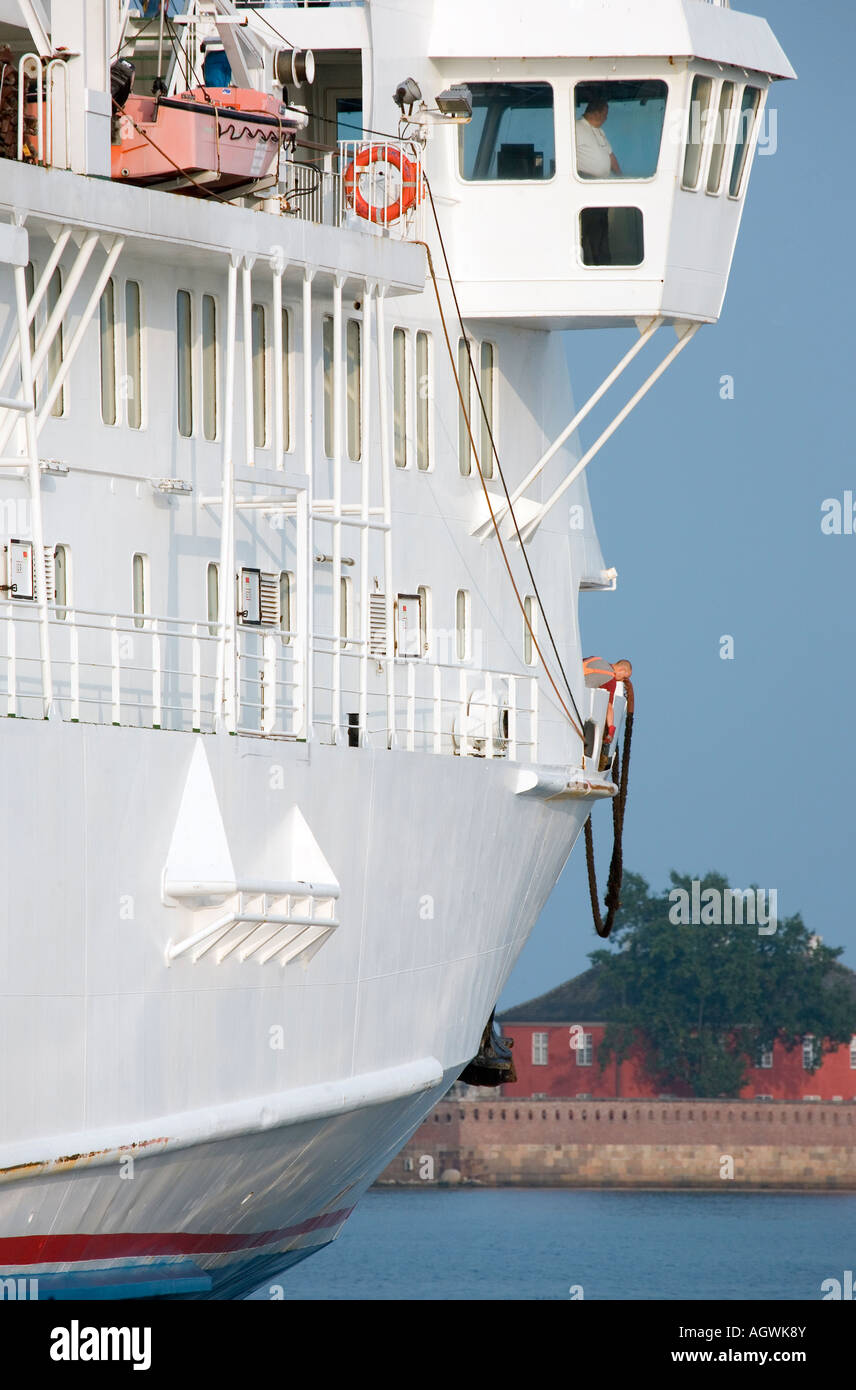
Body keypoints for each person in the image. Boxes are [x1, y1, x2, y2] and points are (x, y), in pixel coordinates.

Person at [583, 656, 633, 754]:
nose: (622, 681)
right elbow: (608, 706)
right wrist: (611, 729)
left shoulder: (596, 659)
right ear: (622, 669)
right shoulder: (610, 679)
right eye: (624, 677)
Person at [575, 99, 622, 179]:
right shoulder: (576, 127)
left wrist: (621, 178)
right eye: (605, 115)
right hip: (585, 182)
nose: (606, 118)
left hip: (600, 182)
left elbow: (611, 156)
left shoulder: (600, 131)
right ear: (597, 114)